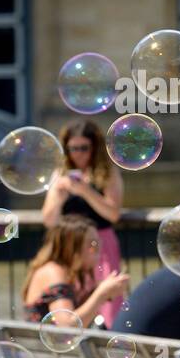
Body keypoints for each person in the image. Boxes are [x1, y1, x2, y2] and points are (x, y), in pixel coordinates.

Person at [23, 215, 131, 358]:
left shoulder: (73, 273)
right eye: (90, 243)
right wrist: (101, 294)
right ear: (71, 246)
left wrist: (103, 292)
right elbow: (68, 325)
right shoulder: (53, 271)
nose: (96, 248)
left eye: (97, 242)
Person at [41, 119, 126, 327]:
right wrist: (59, 198)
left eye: (83, 148)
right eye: (72, 148)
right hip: (70, 247)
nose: (77, 154)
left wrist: (85, 191)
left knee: (108, 303)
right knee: (74, 302)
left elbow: (113, 214)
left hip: (101, 244)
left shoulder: (107, 172)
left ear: (94, 147)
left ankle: (110, 346)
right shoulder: (60, 174)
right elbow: (49, 220)